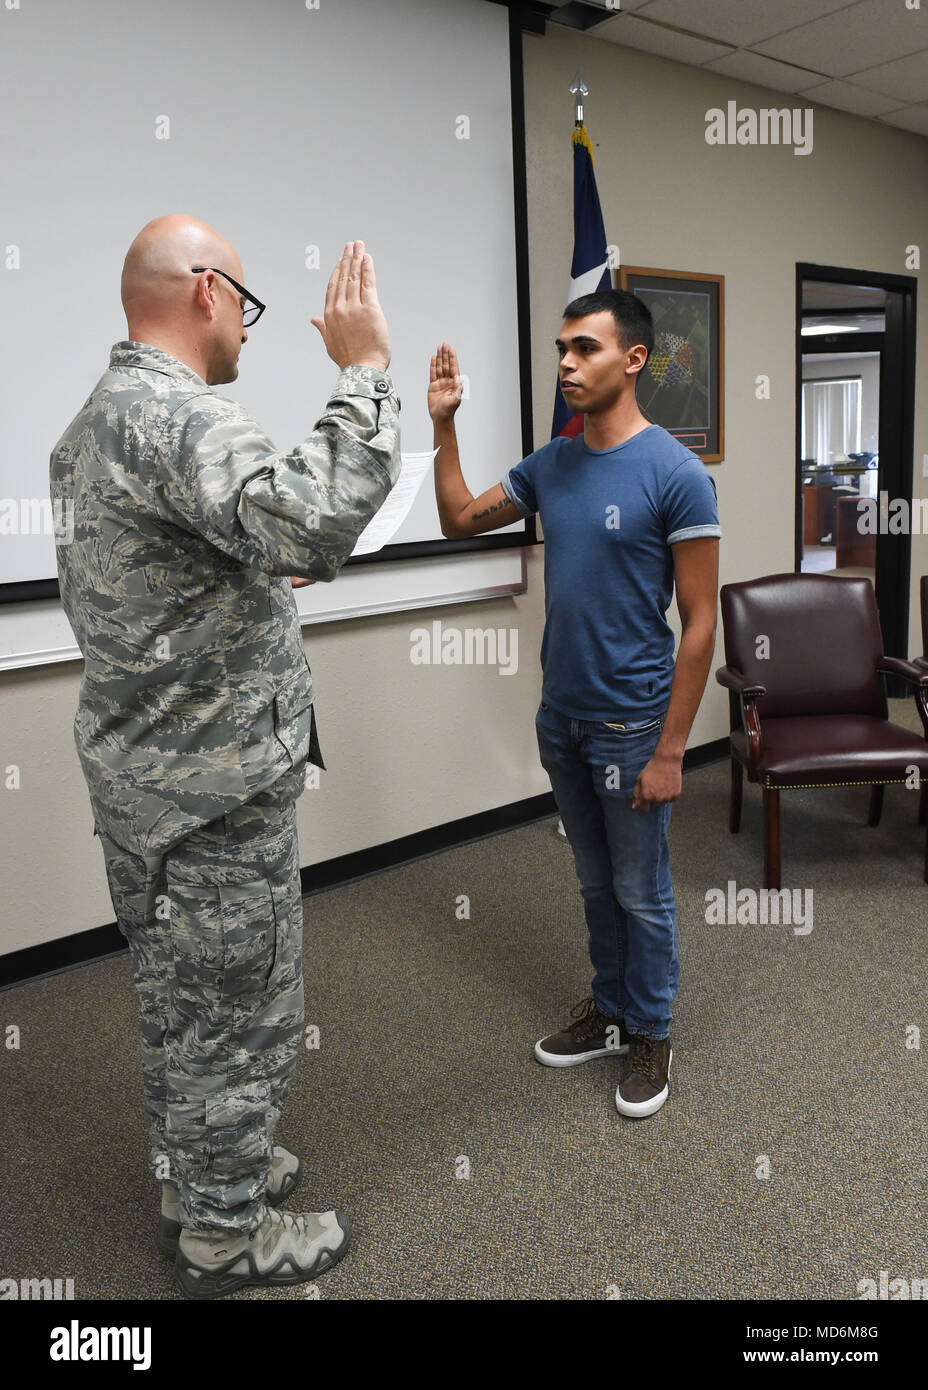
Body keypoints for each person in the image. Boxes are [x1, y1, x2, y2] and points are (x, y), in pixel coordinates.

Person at [49, 217, 400, 1297]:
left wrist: (243, 590)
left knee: (181, 1001)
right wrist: (366, 373)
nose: (248, 334)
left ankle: (202, 1174)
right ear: (207, 293)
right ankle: (226, 1232)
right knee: (240, 1008)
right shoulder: (174, 411)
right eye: (245, 308)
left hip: (148, 781)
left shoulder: (92, 424)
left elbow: (162, 580)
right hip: (212, 792)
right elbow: (306, 522)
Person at [429, 288, 720, 1119]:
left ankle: (653, 1030)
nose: (565, 363)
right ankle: (611, 1011)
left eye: (584, 348)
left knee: (641, 889)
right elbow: (456, 518)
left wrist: (671, 752)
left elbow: (700, 625)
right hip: (563, 716)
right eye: (561, 348)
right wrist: (445, 424)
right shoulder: (550, 465)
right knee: (595, 884)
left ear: (633, 360)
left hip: (636, 721)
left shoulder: (676, 472)